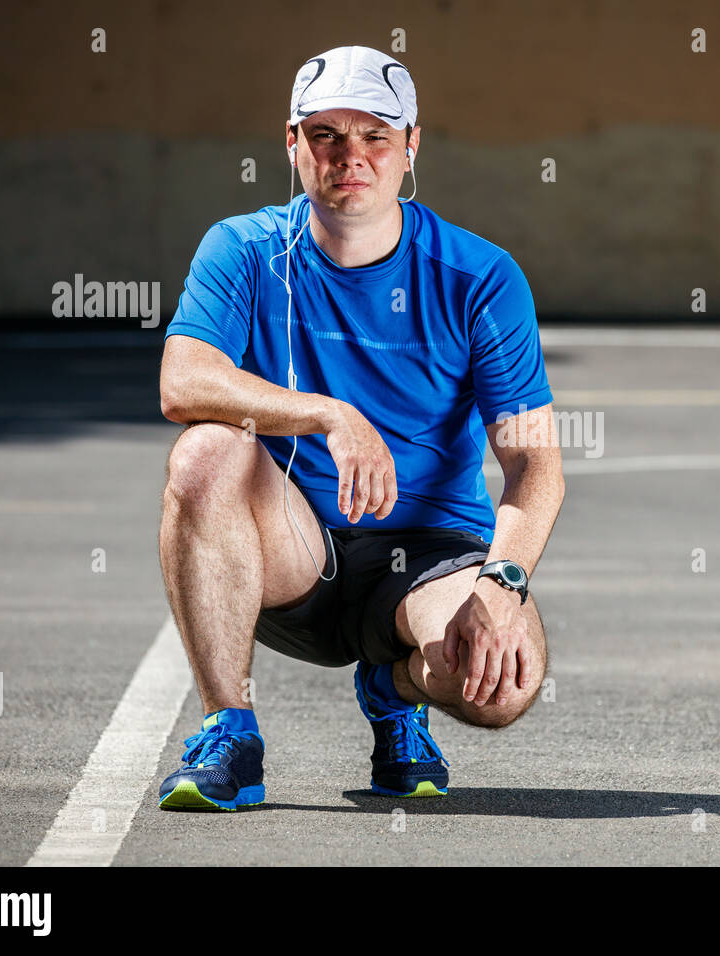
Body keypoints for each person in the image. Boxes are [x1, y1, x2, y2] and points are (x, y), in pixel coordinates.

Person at [155, 45, 564, 810]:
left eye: (375, 136)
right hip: (294, 550)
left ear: (412, 146)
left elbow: (534, 467)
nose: (352, 158)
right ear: (292, 144)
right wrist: (328, 415)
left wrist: (502, 584)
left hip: (431, 555)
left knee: (504, 685)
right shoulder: (244, 250)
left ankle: (393, 685)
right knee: (205, 450)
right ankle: (230, 732)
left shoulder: (481, 277)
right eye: (326, 136)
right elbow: (183, 383)